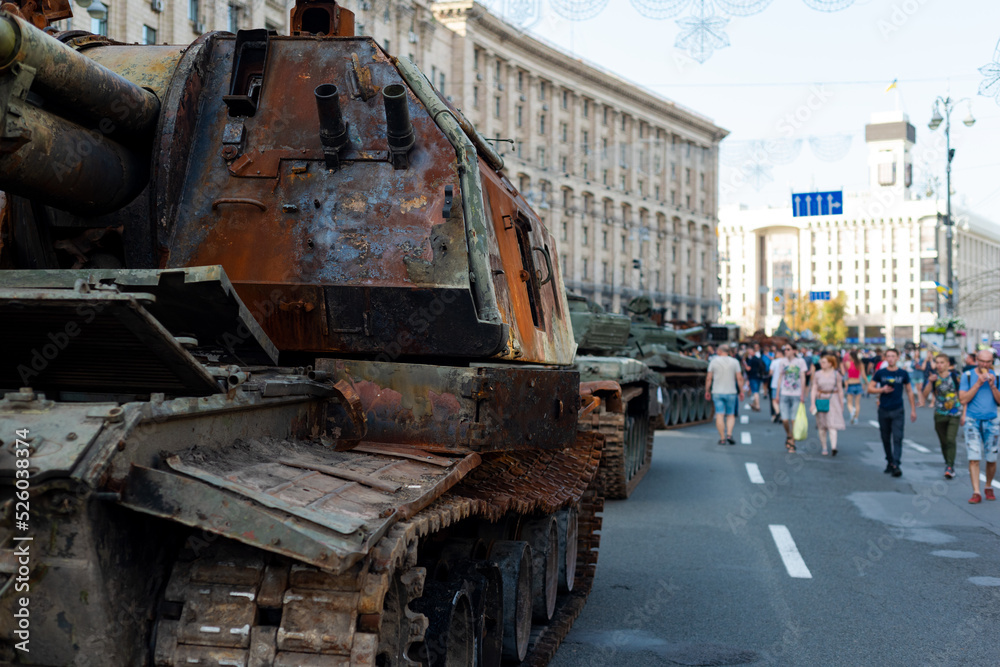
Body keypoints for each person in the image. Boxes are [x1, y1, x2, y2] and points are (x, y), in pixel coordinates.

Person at [958, 349, 1000, 503]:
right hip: (972, 421)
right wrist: (978, 383)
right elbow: (963, 399)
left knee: (991, 458)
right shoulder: (967, 376)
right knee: (974, 458)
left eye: (988, 362)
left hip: (992, 421)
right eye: (982, 361)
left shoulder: (998, 376)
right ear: (976, 360)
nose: (985, 364)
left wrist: (993, 386)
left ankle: (988, 485)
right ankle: (976, 491)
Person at [868, 348, 917, 477]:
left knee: (897, 437)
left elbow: (909, 391)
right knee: (885, 438)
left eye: (893, 356)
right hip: (883, 409)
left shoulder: (903, 373)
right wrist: (882, 390)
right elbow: (870, 388)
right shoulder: (881, 373)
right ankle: (889, 461)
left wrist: (913, 409)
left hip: (898, 409)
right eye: (888, 356)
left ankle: (896, 464)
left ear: (897, 358)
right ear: (885, 358)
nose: (890, 358)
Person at [922, 353, 961, 479]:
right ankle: (947, 462)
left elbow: (962, 394)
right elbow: (924, 394)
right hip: (939, 413)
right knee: (943, 441)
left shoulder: (955, 377)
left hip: (954, 413)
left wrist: (964, 412)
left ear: (948, 364)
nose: (939, 365)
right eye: (937, 362)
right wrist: (929, 382)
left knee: (950, 439)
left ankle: (950, 466)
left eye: (942, 362)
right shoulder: (934, 378)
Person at [705, 344, 745, 445]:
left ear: (719, 351)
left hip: (717, 391)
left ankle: (722, 438)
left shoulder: (713, 361)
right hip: (731, 391)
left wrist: (707, 390)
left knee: (719, 414)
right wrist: (741, 391)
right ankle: (729, 434)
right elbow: (739, 378)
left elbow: (709, 378)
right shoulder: (735, 362)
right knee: (730, 415)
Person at [773, 343, 809, 452]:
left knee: (794, 419)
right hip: (784, 392)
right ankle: (789, 434)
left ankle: (792, 441)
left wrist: (803, 394)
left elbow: (803, 378)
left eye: (788, 349)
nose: (786, 351)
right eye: (785, 349)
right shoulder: (782, 362)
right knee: (784, 419)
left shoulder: (800, 362)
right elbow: (780, 378)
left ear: (794, 350)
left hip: (796, 393)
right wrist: (777, 393)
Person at [810, 354, 846, 455]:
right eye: (821, 362)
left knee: (832, 424)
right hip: (821, 399)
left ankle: (834, 447)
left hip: (833, 399)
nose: (821, 364)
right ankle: (824, 447)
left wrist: (841, 403)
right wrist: (812, 403)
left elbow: (840, 390)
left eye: (824, 362)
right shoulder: (817, 374)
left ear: (830, 364)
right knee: (821, 425)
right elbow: (814, 389)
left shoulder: (836, 374)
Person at [843, 349, 868, 424]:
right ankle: (856, 418)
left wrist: (845, 383)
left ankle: (852, 412)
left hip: (850, 383)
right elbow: (863, 375)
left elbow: (845, 374)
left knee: (849, 403)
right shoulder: (860, 364)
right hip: (858, 383)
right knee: (857, 403)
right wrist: (867, 383)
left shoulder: (848, 363)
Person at [744, 345, 767, 412]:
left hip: (753, 377)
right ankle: (754, 404)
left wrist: (745, 365)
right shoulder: (758, 358)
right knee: (756, 390)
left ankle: (757, 405)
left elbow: (748, 369)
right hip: (758, 376)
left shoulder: (751, 360)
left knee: (755, 392)